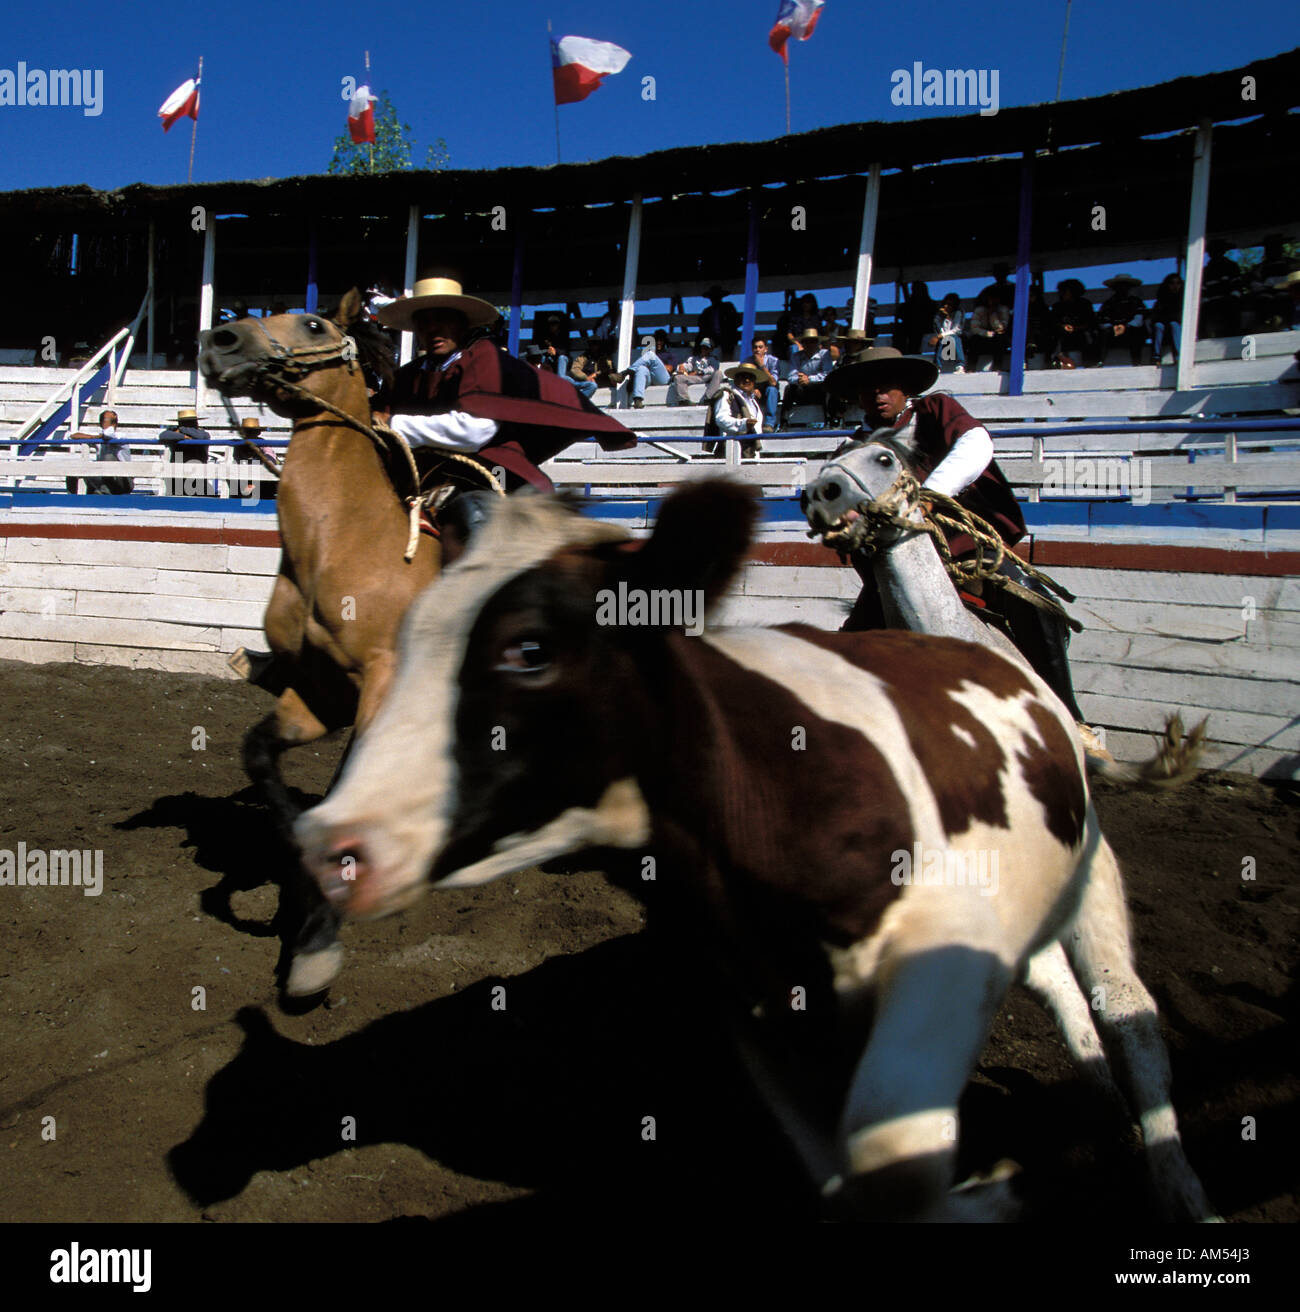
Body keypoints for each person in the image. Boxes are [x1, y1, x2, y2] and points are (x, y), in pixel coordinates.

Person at [825, 346, 1083, 720]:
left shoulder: (935, 410)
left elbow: (976, 444)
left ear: (904, 389)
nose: (878, 395)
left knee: (1035, 605)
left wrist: (926, 498)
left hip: (966, 551)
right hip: (897, 563)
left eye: (886, 387)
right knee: (848, 651)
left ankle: (1070, 717)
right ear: (857, 396)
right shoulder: (853, 449)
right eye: (868, 389)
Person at [373, 276, 635, 526]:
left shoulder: (483, 359)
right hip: (417, 477)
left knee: (474, 518)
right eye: (424, 321)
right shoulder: (405, 376)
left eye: (443, 319)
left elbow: (475, 431)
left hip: (489, 472)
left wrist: (395, 425)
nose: (433, 329)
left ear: (462, 324)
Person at [66, 409, 132, 495]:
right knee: (77, 469)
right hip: (103, 477)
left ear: (115, 424)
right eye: (104, 420)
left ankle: (103, 492)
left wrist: (99, 434)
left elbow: (109, 434)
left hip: (123, 480)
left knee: (108, 458)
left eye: (108, 420)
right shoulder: (98, 438)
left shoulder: (121, 436)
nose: (106, 422)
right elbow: (71, 436)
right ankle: (73, 498)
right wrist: (92, 437)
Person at [703, 363, 763, 457]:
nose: (747, 380)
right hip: (732, 450)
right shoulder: (727, 395)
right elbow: (721, 419)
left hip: (751, 451)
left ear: (754, 381)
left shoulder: (753, 401)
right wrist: (743, 424)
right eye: (743, 376)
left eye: (750, 377)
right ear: (736, 379)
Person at [159, 407, 216, 497]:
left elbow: (200, 436)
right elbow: (163, 435)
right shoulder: (176, 434)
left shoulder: (203, 434)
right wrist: (184, 436)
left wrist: (182, 429)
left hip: (197, 476)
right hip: (178, 477)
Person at [1095, 274, 1147, 366]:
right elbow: (1103, 320)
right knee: (1102, 335)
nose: (1122, 288)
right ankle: (1100, 361)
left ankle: (1136, 362)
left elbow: (1139, 319)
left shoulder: (1135, 301)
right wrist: (1113, 327)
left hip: (1130, 331)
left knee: (1136, 333)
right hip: (1112, 333)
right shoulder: (1109, 303)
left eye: (1125, 286)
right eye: (1119, 286)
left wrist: (1125, 326)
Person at [1049, 278, 1096, 369]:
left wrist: (1076, 328)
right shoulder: (1057, 306)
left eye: (1065, 291)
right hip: (1062, 341)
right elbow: (1052, 322)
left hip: (1082, 340)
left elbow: (1091, 321)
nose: (1062, 294)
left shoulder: (1084, 304)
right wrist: (1062, 326)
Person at [233, 416, 277, 501]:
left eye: (252, 432)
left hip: (261, 477)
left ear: (258, 432)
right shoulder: (239, 445)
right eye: (247, 432)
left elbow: (270, 458)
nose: (250, 434)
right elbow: (238, 460)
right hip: (246, 476)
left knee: (265, 484)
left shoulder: (263, 443)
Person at [967, 288, 1011, 372]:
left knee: (1000, 338)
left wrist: (993, 314)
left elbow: (1001, 328)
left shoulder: (1003, 310)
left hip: (998, 340)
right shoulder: (979, 310)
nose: (993, 301)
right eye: (990, 298)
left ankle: (997, 367)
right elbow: (974, 328)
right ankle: (970, 368)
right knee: (974, 340)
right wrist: (989, 334)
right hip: (984, 338)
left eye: (995, 298)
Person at [667, 337, 721, 406]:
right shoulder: (694, 358)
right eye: (703, 347)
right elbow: (688, 365)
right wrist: (681, 367)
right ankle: (684, 400)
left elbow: (712, 369)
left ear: (711, 349)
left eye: (707, 348)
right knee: (678, 377)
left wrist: (698, 372)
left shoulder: (714, 359)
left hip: (707, 377)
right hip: (696, 378)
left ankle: (708, 398)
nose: (704, 349)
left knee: (718, 373)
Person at [743, 335, 782, 429]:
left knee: (771, 389)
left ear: (766, 349)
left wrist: (762, 366)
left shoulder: (773, 361)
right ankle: (749, 423)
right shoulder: (747, 362)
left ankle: (769, 424)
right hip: (754, 392)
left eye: (760, 347)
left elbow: (773, 382)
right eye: (755, 347)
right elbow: (742, 382)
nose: (757, 350)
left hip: (770, 393)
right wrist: (753, 389)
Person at [626, 333, 673, 409]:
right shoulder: (647, 354)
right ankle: (638, 399)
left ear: (665, 342)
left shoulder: (668, 355)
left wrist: (654, 365)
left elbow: (669, 368)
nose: (658, 343)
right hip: (649, 379)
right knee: (641, 368)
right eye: (656, 340)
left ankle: (625, 373)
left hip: (662, 379)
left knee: (650, 355)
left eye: (661, 340)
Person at [1148, 272, 1184, 364]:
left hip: (1179, 332)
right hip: (1164, 333)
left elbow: (1180, 318)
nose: (1175, 286)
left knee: (1174, 324)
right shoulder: (1160, 302)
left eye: (1178, 283)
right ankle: (1156, 357)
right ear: (1167, 285)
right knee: (1158, 325)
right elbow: (1155, 319)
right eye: (1172, 283)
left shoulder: (1183, 300)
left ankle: (1178, 357)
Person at [698, 286, 741, 360]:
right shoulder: (707, 311)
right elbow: (701, 325)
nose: (714, 299)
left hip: (727, 335)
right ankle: (700, 361)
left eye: (716, 297)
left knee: (728, 340)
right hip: (712, 337)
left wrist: (728, 328)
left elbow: (738, 321)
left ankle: (727, 361)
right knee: (701, 341)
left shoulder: (728, 307)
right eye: (713, 297)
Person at [928, 292, 966, 372]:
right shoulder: (939, 316)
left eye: (949, 304)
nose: (946, 306)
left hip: (956, 339)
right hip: (945, 341)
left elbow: (956, 330)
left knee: (953, 338)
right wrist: (941, 317)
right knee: (943, 340)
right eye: (945, 304)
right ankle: (937, 366)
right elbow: (939, 330)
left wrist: (940, 336)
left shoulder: (958, 313)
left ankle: (960, 365)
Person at [897, 281, 936, 356]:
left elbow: (932, 316)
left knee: (915, 332)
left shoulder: (930, 303)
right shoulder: (909, 303)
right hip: (910, 328)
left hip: (925, 327)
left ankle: (913, 352)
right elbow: (900, 314)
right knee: (901, 331)